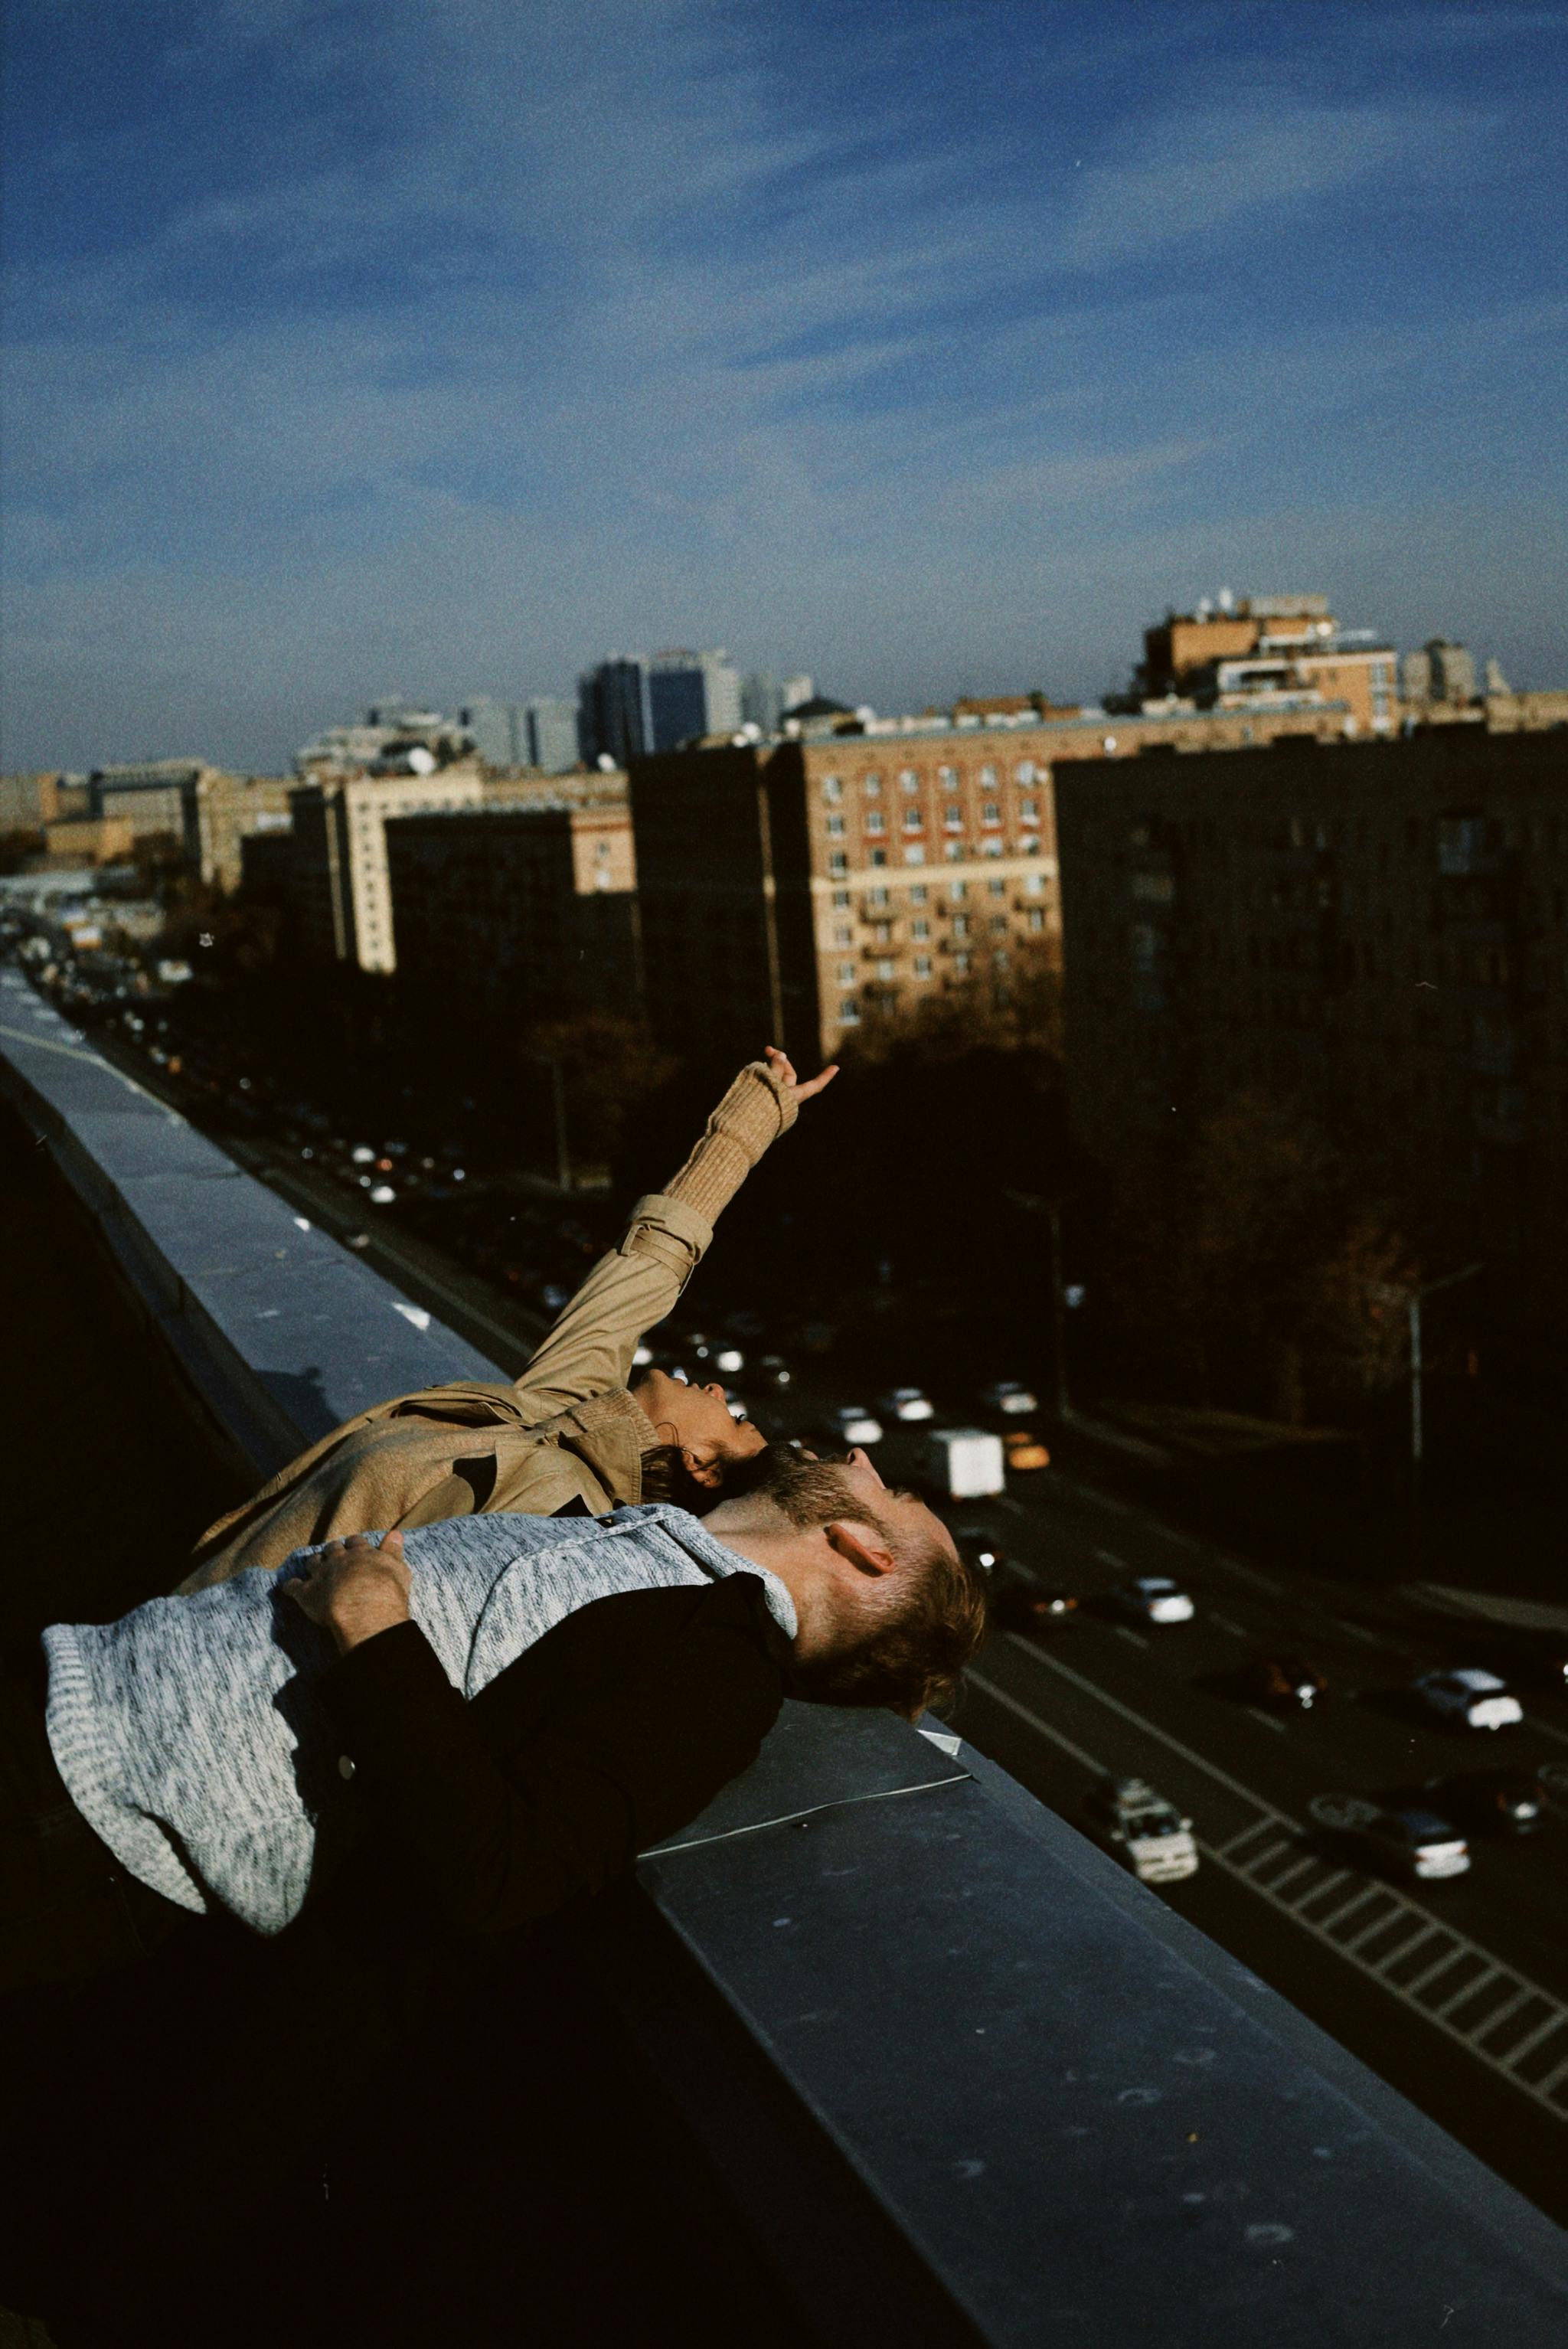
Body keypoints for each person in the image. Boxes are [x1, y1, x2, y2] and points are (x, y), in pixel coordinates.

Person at [3, 1447, 985, 1983]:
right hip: (71, 1697)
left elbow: (499, 1870)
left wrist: (372, 1625)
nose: (860, 1455)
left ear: (863, 1547)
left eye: (886, 1488)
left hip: (86, 1818)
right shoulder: (657, 1556)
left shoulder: (719, 1676)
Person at [178, 1047, 838, 1592]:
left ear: (697, 1463)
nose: (721, 1392)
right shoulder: (552, 1419)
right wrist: (755, 1116)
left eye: (735, 1418)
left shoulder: (551, 1509)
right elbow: (648, 1263)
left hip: (189, 1691)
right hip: (176, 1617)